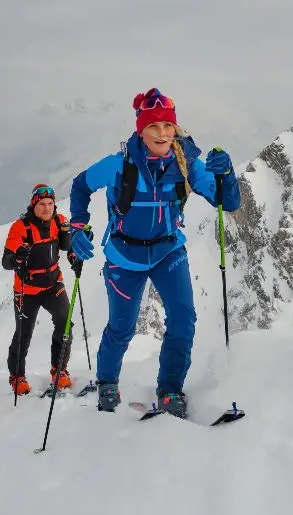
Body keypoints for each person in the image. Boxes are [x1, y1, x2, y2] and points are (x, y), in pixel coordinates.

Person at [68, 87, 241, 417]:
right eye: (154, 127)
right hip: (123, 257)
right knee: (122, 328)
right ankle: (106, 383)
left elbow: (226, 202)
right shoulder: (119, 165)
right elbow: (80, 185)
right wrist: (77, 226)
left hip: (168, 251)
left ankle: (170, 389)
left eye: (168, 126)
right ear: (141, 129)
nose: (162, 133)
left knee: (183, 319)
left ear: (175, 128)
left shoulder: (188, 165)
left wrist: (227, 175)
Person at [1, 183, 75, 396]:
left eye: (50, 204)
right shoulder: (20, 228)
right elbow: (6, 262)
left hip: (53, 284)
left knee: (65, 321)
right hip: (27, 289)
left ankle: (59, 369)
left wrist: (74, 256)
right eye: (42, 204)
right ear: (33, 204)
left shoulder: (60, 222)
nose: (46, 208)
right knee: (24, 333)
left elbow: (68, 247)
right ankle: (17, 376)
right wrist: (17, 258)